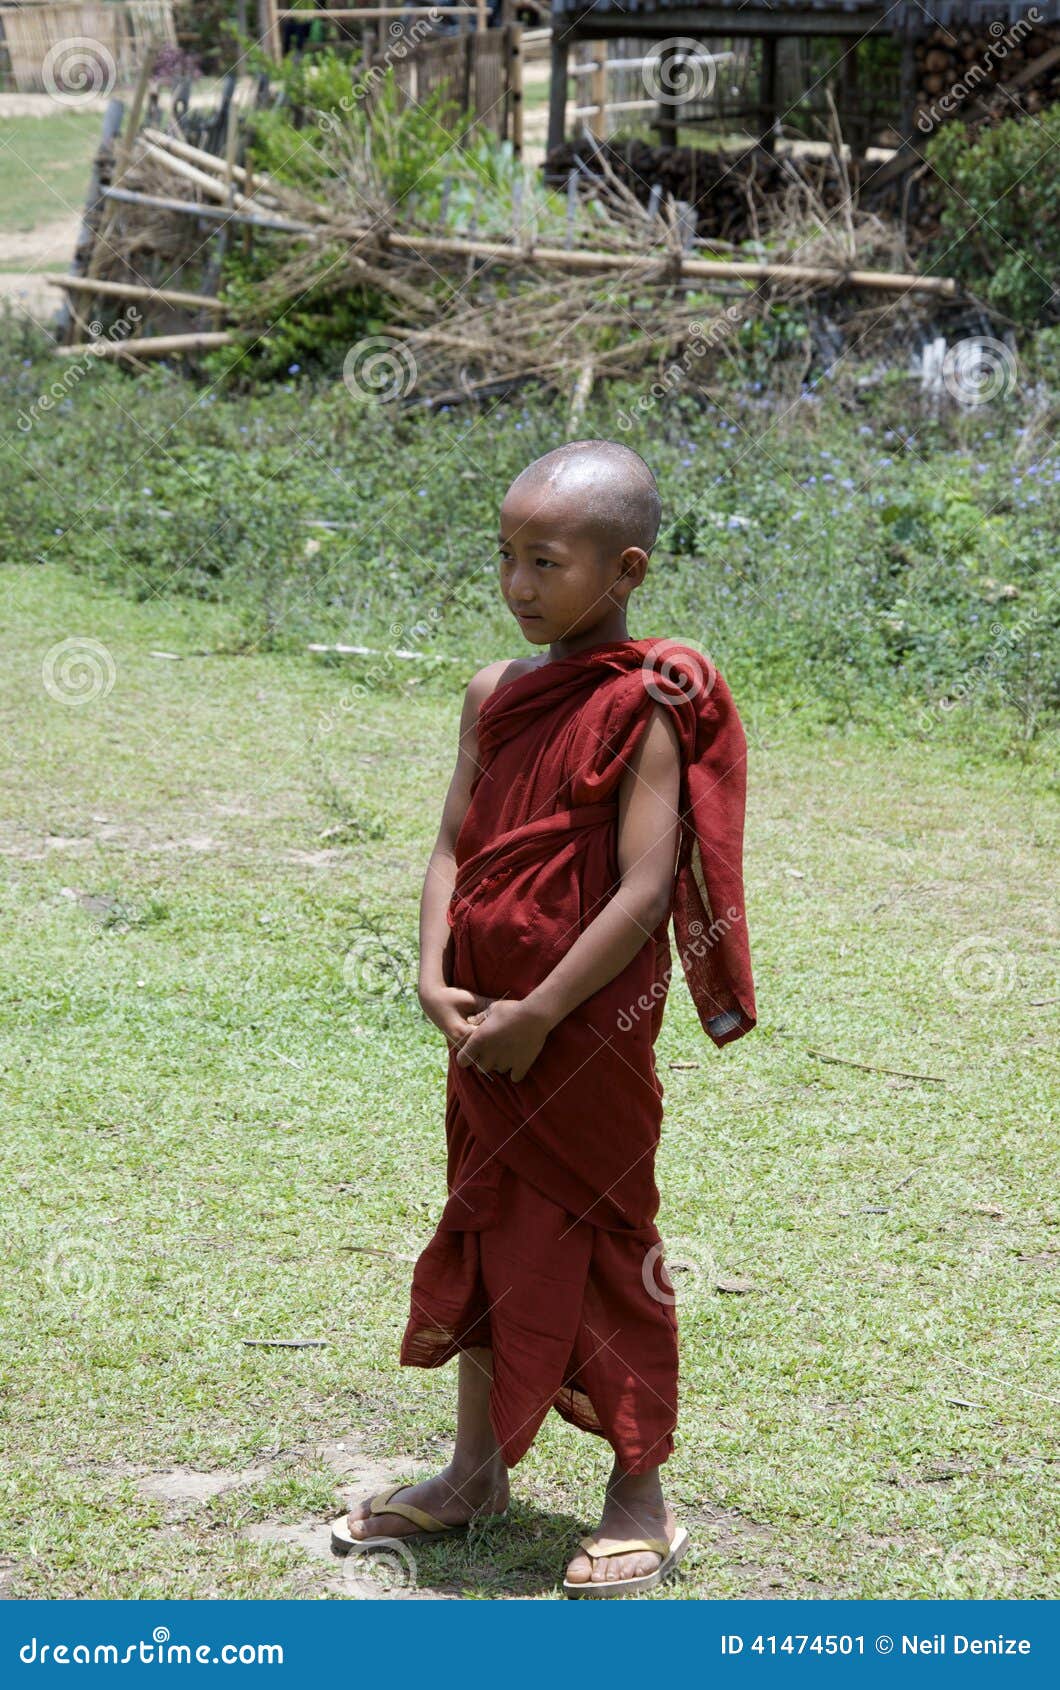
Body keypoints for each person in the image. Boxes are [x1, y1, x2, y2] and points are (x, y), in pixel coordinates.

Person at [331, 439, 756, 1596]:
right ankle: (475, 1470)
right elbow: (451, 845)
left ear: (623, 569)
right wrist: (433, 973)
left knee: (609, 1239)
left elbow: (643, 887)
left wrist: (544, 1009)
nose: (518, 585)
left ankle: (639, 1497)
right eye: (506, 557)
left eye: (546, 562)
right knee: (483, 1221)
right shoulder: (495, 693)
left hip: (585, 1031)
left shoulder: (640, 706)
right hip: (481, 1026)